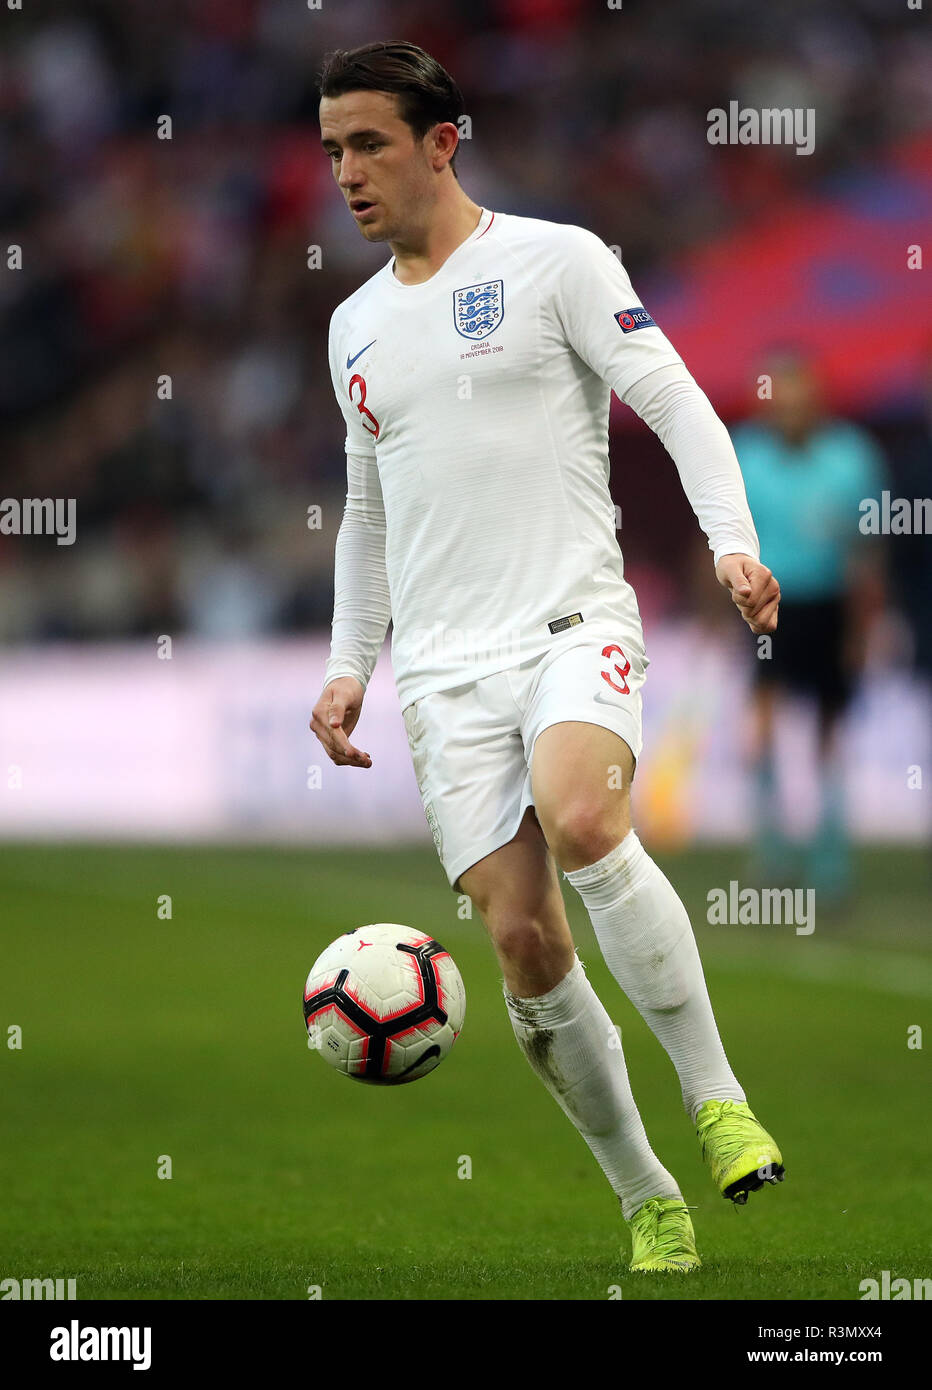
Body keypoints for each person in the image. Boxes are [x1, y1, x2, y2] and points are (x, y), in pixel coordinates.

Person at [311, 40, 784, 1273]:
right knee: (522, 942)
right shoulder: (353, 327)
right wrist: (349, 660)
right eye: (331, 151)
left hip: (571, 620)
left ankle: (717, 1099)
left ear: (440, 141)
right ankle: (645, 1196)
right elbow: (369, 509)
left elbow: (674, 398)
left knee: (584, 821)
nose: (345, 174)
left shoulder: (557, 261)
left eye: (367, 144)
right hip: (444, 674)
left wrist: (730, 545)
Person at [733, 352, 887, 899]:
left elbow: (866, 550)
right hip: (765, 604)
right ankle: (772, 849)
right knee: (763, 724)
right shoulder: (745, 454)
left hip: (829, 605)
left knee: (828, 730)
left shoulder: (851, 458)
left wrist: (862, 630)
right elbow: (718, 534)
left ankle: (829, 857)